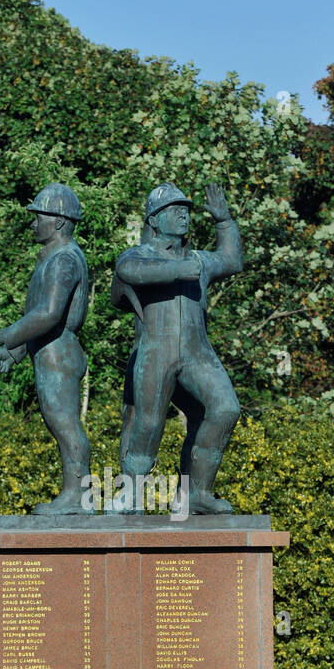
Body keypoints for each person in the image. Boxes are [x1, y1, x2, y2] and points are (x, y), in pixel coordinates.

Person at [112, 181, 242, 514]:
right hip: (157, 351)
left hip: (198, 353)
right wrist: (177, 270)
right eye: (174, 210)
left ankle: (195, 492)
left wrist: (224, 222)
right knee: (149, 422)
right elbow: (128, 270)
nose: (183, 215)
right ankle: (131, 491)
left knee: (225, 408)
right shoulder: (138, 255)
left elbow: (230, 261)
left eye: (185, 210)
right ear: (153, 220)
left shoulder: (198, 259)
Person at [0, 183, 91, 515]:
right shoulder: (54, 258)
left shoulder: (63, 260)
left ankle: (78, 497)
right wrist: (13, 352)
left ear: (58, 221)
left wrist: (7, 336)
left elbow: (49, 313)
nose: (32, 223)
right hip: (50, 350)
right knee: (60, 423)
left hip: (59, 352)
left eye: (38, 216)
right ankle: (75, 494)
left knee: (65, 423)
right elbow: (40, 317)